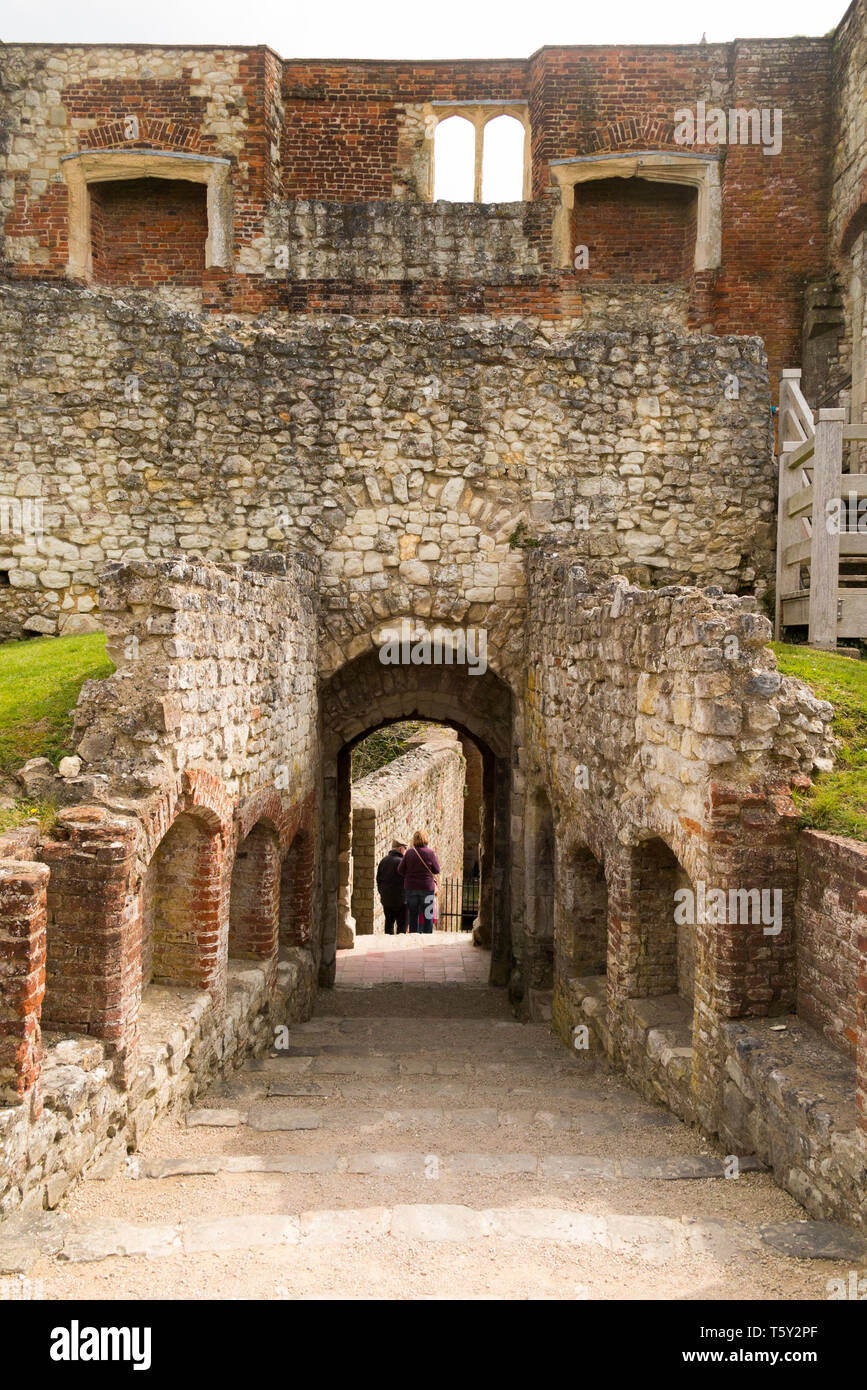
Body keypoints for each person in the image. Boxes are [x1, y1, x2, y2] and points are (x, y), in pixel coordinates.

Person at [398, 829, 440, 934]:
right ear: (425, 839)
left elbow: (400, 870)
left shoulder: (409, 853)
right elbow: (437, 870)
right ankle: (427, 937)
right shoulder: (430, 853)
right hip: (427, 888)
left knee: (413, 915)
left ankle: (414, 937)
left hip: (411, 888)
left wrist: (409, 876)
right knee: (428, 915)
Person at [376, 840, 408, 935]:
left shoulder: (383, 861)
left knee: (389, 924)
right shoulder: (402, 863)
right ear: (401, 849)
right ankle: (399, 947)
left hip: (387, 899)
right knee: (402, 927)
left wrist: (382, 893)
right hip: (402, 900)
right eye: (405, 849)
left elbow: (378, 879)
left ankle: (387, 944)